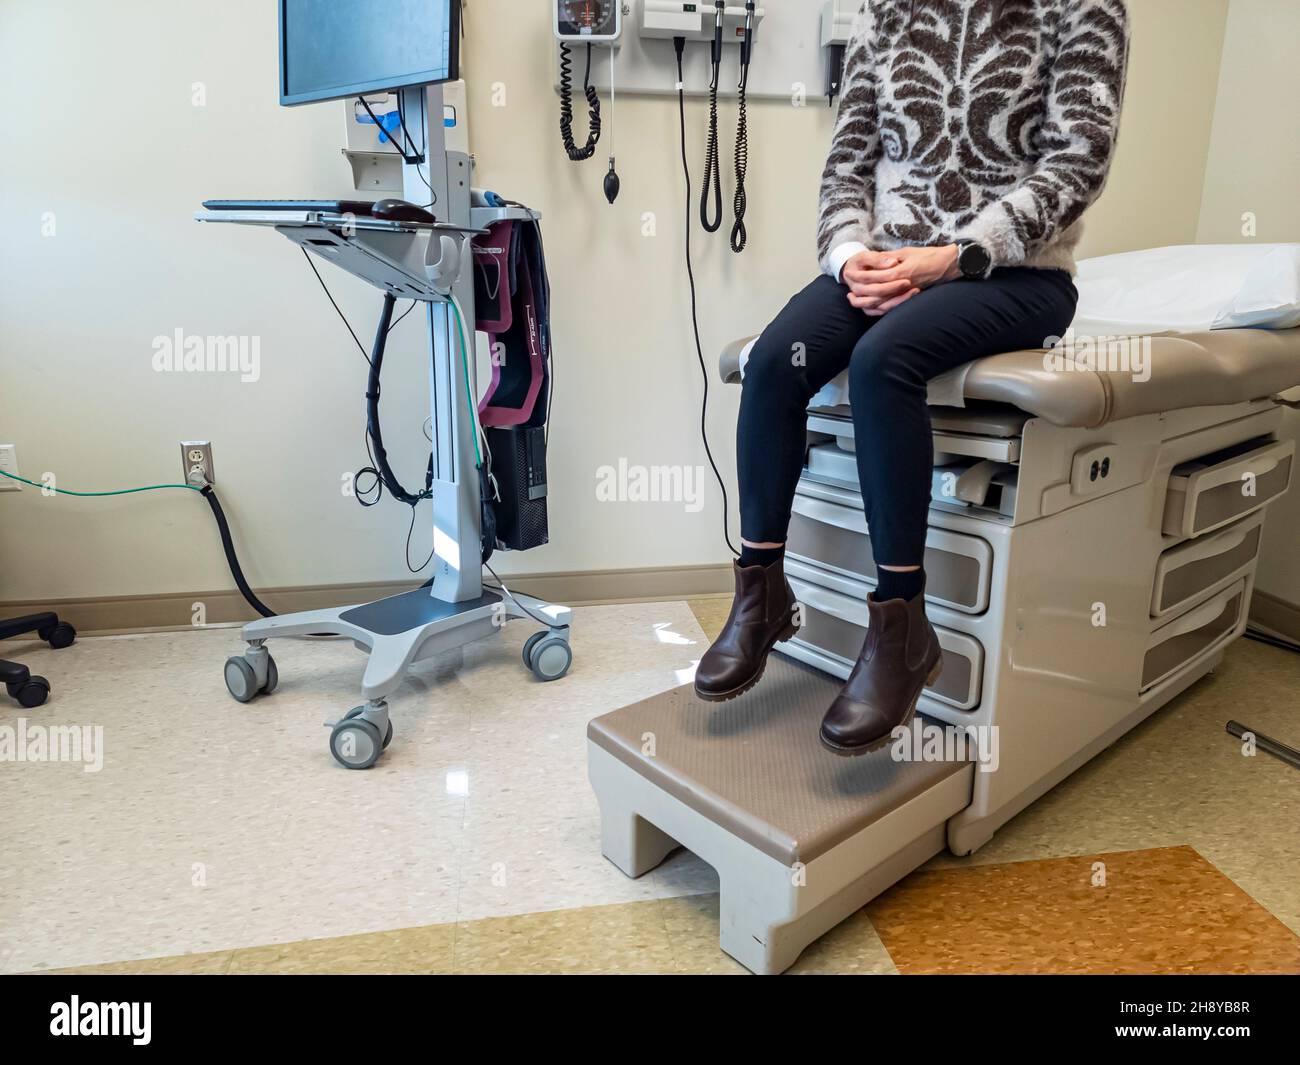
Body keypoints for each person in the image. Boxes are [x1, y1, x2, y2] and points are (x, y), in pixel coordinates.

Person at [694, 0, 1132, 754]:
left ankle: (901, 626)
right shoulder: (885, 8)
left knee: (881, 360)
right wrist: (847, 258)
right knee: (771, 361)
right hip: (886, 263)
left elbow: (1079, 160)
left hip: (1014, 272)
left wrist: (956, 255)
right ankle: (761, 592)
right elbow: (849, 160)